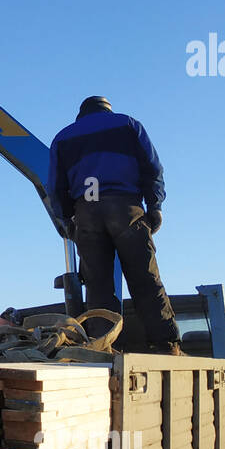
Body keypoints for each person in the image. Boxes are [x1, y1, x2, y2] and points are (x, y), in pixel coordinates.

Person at [47, 97, 182, 354]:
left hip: (86, 211)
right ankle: (167, 345)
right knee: (145, 278)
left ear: (81, 114)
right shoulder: (128, 124)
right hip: (125, 207)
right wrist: (155, 207)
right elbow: (152, 169)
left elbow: (55, 186)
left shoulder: (62, 138)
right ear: (107, 109)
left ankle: (102, 348)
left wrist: (66, 220)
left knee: (98, 286)